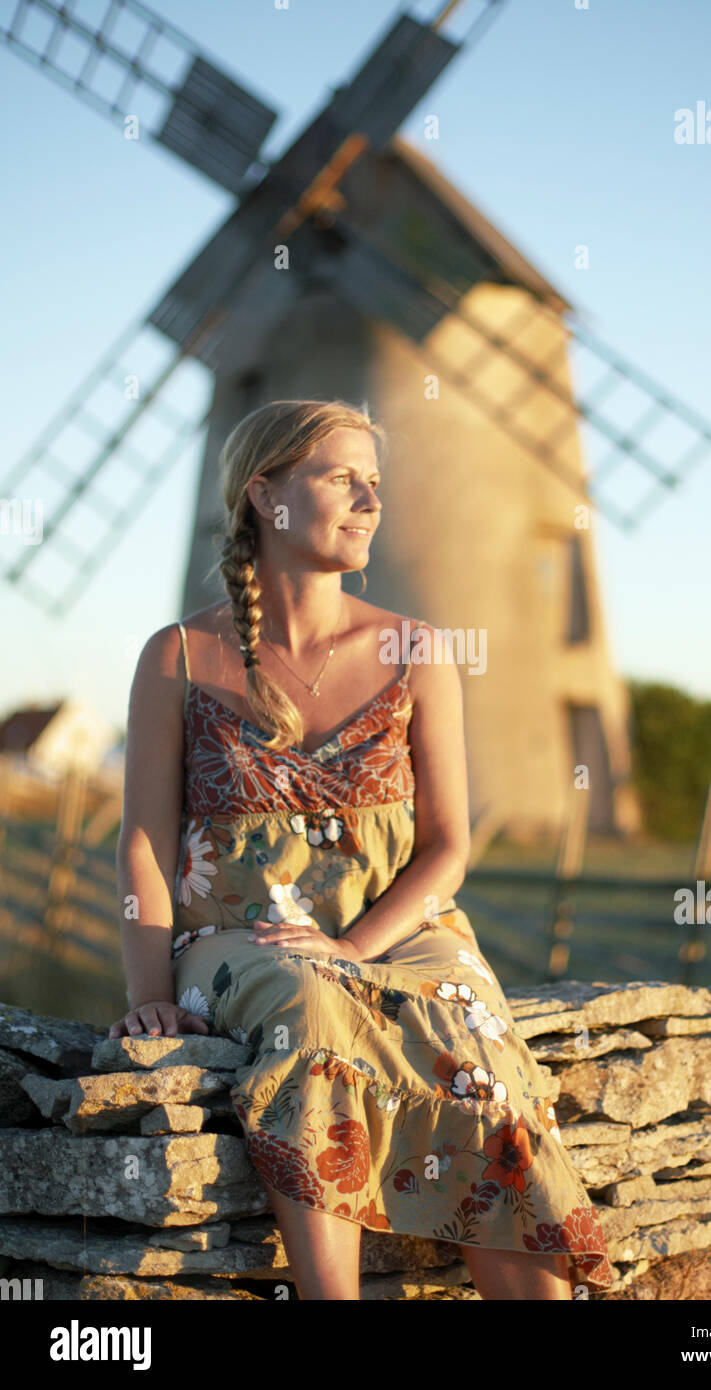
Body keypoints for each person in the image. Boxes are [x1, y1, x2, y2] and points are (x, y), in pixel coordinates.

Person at [111, 398, 614, 1301]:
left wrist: (351, 948)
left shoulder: (418, 651)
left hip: (398, 930)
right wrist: (150, 997)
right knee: (308, 1008)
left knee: (479, 1050)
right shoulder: (177, 655)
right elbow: (145, 842)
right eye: (342, 476)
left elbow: (448, 848)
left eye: (374, 483)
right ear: (265, 495)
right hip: (243, 940)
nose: (369, 500)